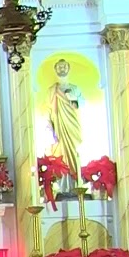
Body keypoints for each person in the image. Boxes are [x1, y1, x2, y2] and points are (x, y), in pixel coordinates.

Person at [44, 59, 84, 195]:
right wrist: (50, 131)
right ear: (56, 70)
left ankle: (77, 183)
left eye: (64, 66)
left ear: (68, 68)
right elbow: (48, 112)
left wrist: (71, 97)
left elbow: (81, 104)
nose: (62, 69)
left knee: (74, 153)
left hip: (72, 127)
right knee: (60, 155)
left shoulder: (75, 88)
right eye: (59, 67)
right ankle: (62, 187)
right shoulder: (51, 90)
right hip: (59, 128)